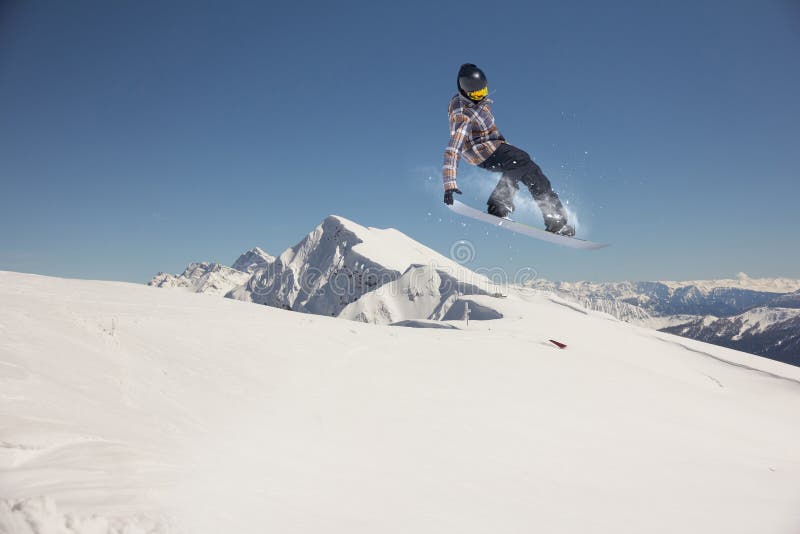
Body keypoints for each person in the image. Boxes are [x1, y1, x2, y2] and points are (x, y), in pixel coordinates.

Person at [442, 63, 575, 236]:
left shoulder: (470, 99)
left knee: (531, 170)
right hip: (482, 152)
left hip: (493, 146)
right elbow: (453, 148)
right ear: (464, 93)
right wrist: (449, 183)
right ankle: (499, 203)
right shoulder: (464, 114)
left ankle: (556, 221)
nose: (481, 97)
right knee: (520, 160)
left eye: (483, 92)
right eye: (476, 94)